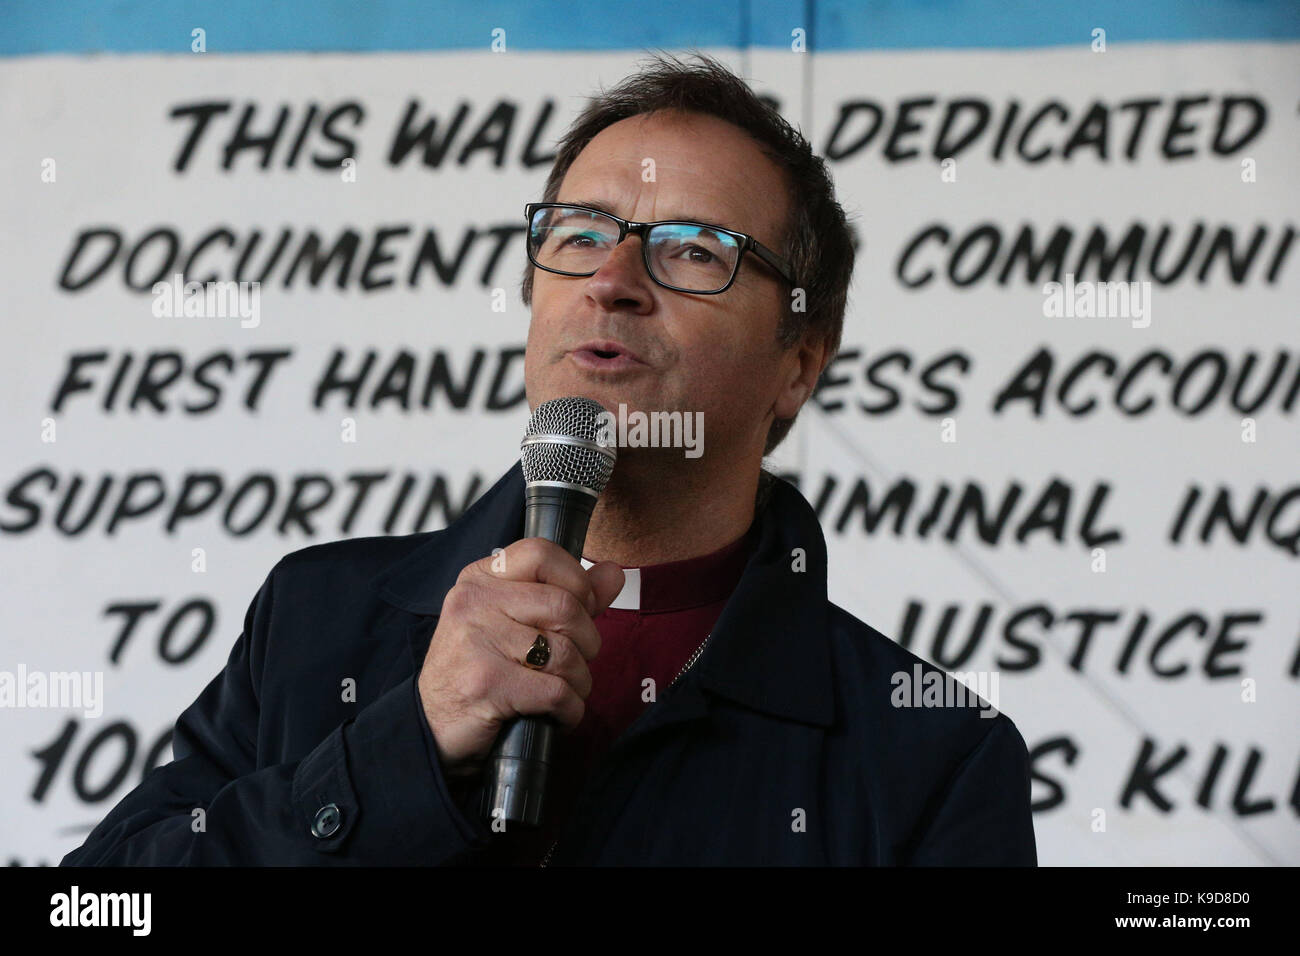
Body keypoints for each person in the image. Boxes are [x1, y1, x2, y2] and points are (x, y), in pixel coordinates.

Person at [61, 52, 1036, 866]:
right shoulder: (318, 617)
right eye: (578, 235)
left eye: (694, 250)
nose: (611, 281)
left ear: (798, 361)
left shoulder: (935, 756)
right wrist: (402, 747)